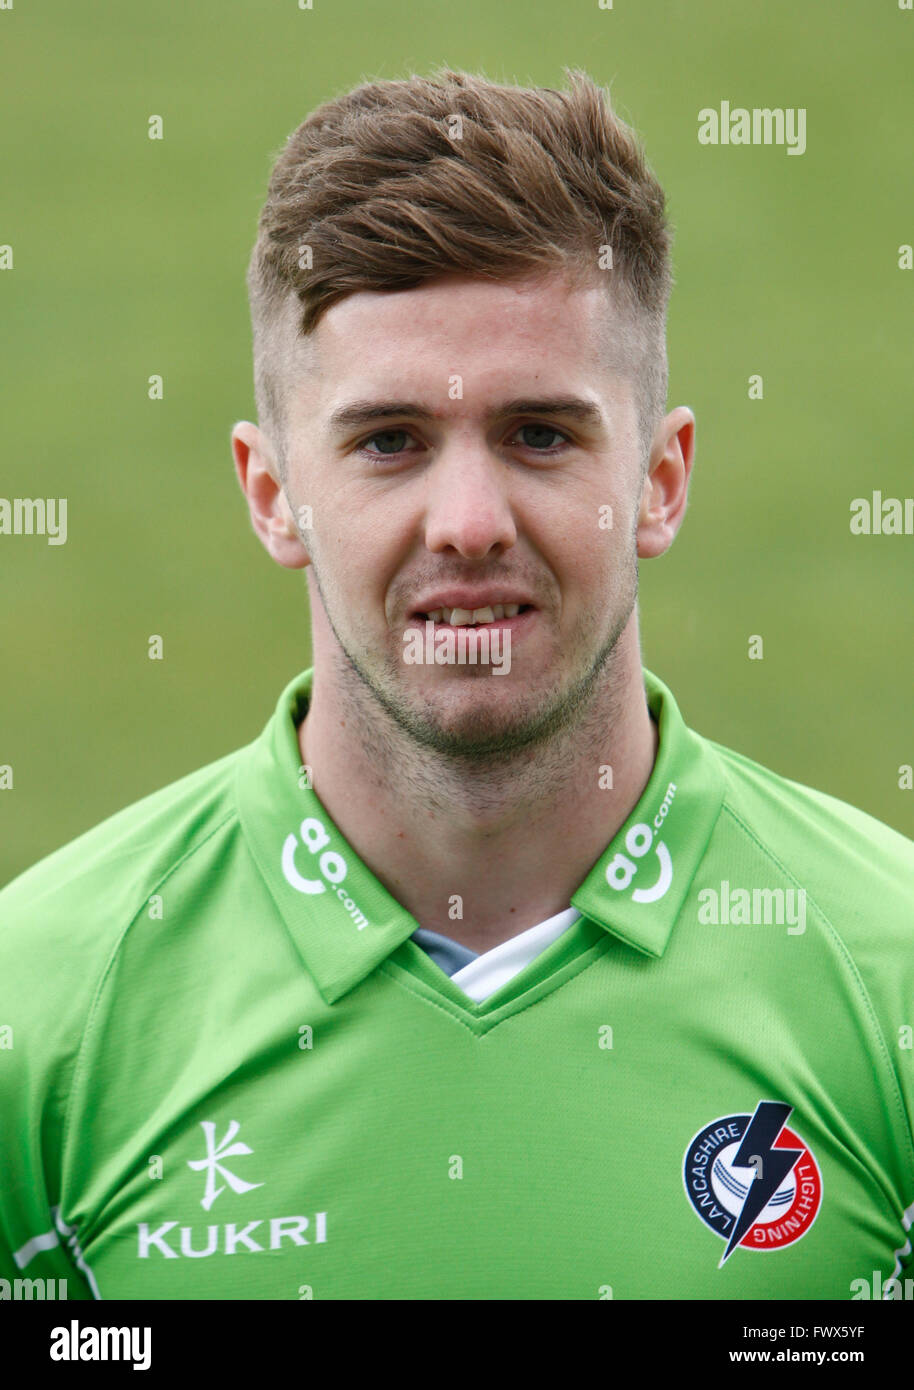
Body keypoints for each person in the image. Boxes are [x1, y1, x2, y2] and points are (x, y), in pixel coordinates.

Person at [0, 67, 911, 1302]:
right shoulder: (39, 1015)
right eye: (388, 443)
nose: (469, 523)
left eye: (540, 433)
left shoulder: (885, 979)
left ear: (658, 477)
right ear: (272, 493)